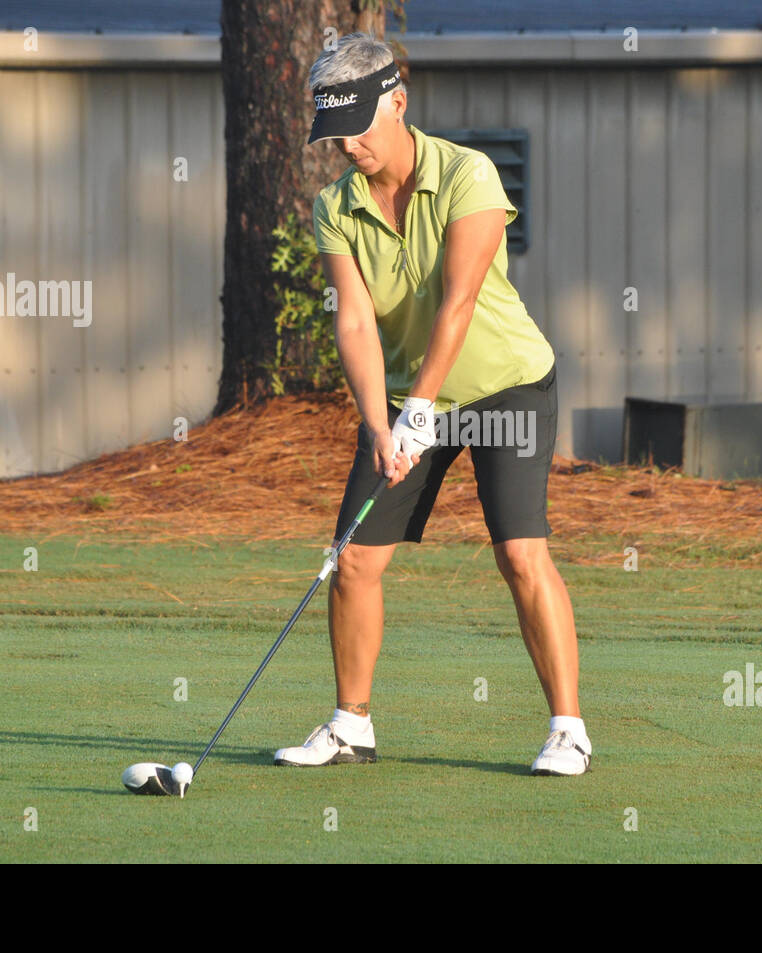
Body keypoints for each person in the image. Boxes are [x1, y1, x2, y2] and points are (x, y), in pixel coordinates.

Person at [273, 32, 591, 776]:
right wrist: (381, 423)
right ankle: (351, 724)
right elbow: (354, 319)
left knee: (520, 551)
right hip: (407, 399)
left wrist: (422, 409)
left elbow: (459, 302)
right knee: (352, 561)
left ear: (398, 103)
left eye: (357, 128)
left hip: (504, 382)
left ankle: (568, 729)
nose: (346, 147)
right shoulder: (336, 207)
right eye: (333, 134)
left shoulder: (467, 175)